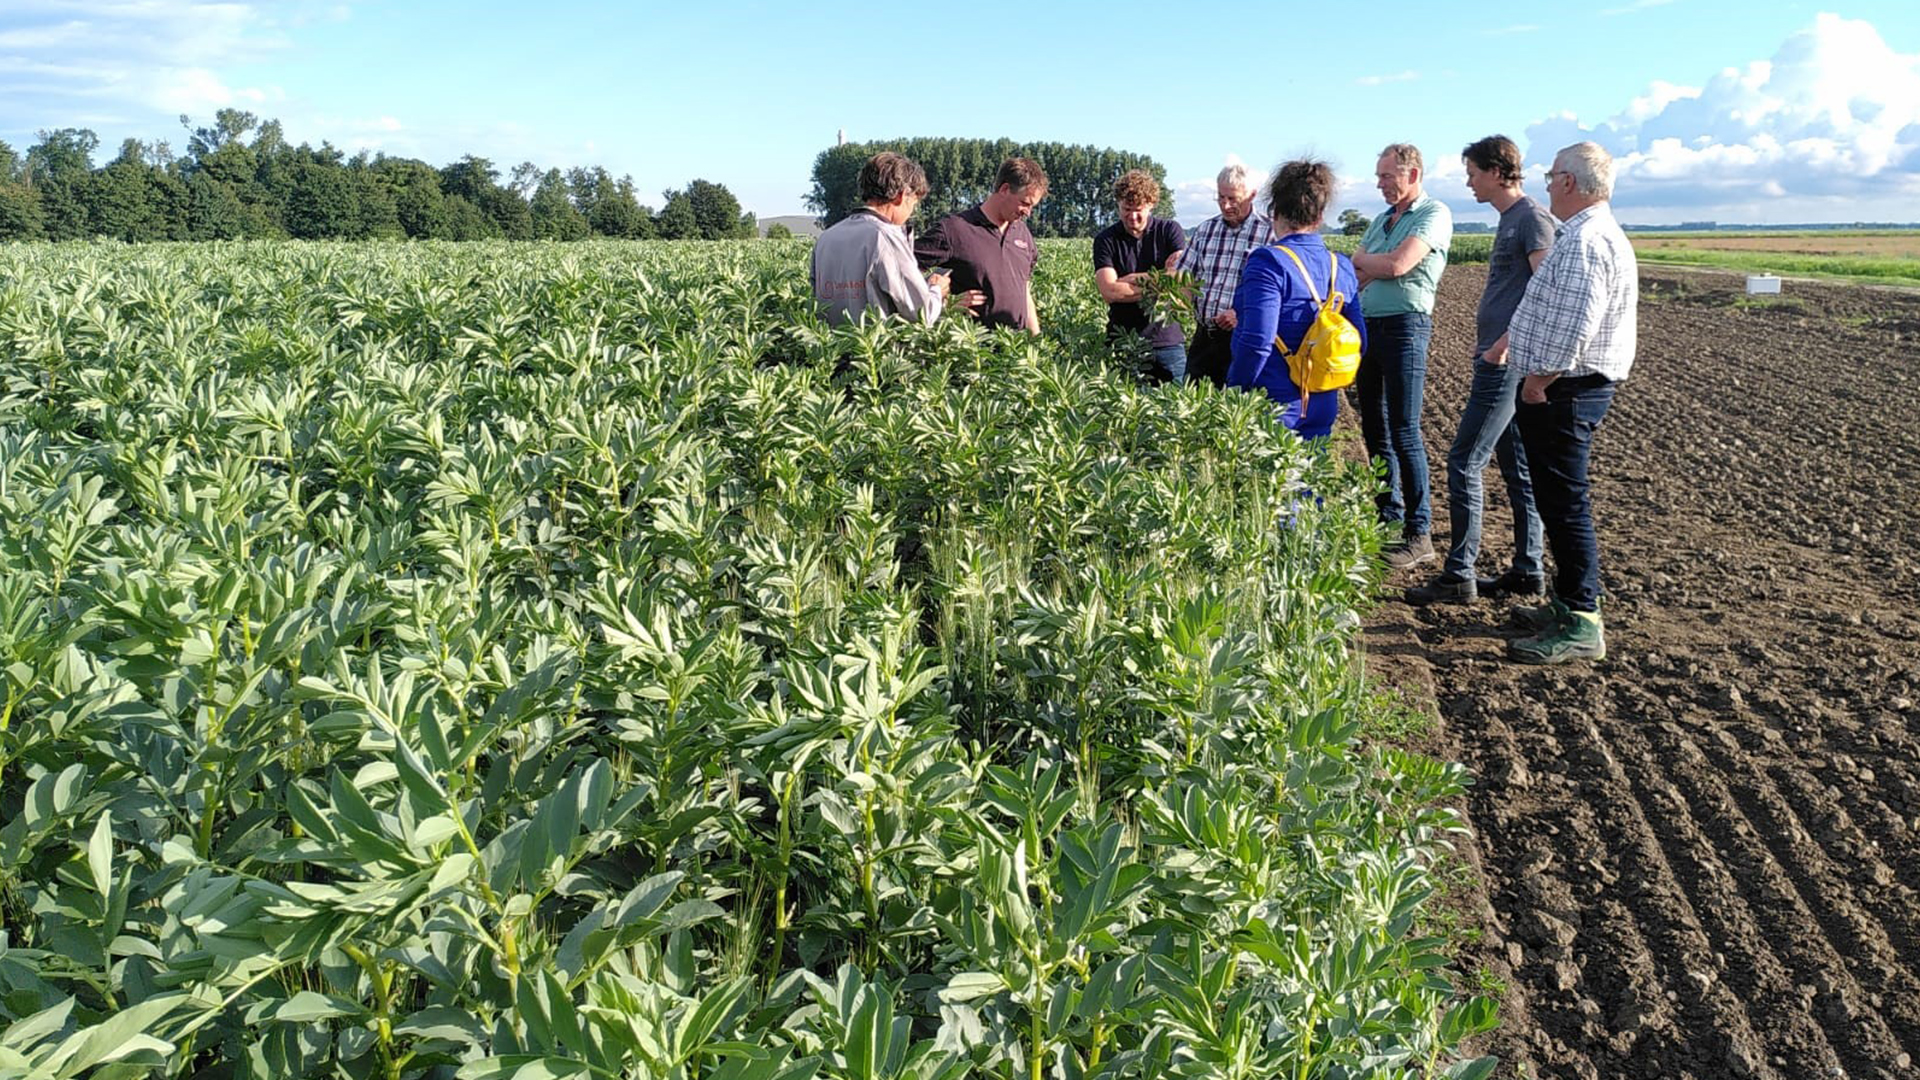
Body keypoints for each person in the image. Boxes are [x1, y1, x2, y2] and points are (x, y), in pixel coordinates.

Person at [1505, 141, 1638, 664]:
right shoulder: (1586, 233)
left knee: (1565, 503)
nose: (1546, 185)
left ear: (1567, 181)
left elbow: (1575, 326)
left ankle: (1582, 619)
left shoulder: (1586, 240)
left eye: (1549, 176)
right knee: (1558, 500)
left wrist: (1539, 381)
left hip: (1566, 388)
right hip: (1566, 385)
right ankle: (1566, 603)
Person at [1406, 135, 1555, 605]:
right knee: (1517, 469)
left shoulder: (1531, 219)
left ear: (1496, 170)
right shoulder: (1513, 219)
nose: (1468, 181)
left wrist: (1503, 347)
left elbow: (1544, 289)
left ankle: (1458, 574)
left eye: (1472, 172)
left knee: (1464, 460)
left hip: (1505, 363)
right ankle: (1528, 569)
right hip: (1501, 358)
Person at [1351, 143, 1452, 570]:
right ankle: (1386, 518)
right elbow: (1358, 273)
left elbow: (1397, 266)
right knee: (1374, 427)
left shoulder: (1433, 214)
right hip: (1370, 329)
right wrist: (1367, 264)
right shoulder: (1381, 220)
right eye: (1379, 176)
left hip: (1406, 328)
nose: (1380, 183)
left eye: (1386, 176)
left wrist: (1365, 259)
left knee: (1405, 430)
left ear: (1412, 174)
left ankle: (1419, 530)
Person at [1227, 158, 1365, 440]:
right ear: (1319, 216)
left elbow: (1257, 341)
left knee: (1268, 483)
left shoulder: (1268, 262)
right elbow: (1359, 338)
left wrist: (1234, 393)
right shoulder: (1340, 266)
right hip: (1322, 400)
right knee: (1311, 479)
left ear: (1275, 210)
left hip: (1273, 402)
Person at [811, 152, 980, 326]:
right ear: (901, 196)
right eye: (913, 203)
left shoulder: (826, 238)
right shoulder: (886, 237)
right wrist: (937, 289)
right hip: (876, 350)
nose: (912, 212)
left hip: (831, 349)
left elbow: (817, 301)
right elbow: (923, 313)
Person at [915, 157, 1047, 334]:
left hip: (1016, 353)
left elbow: (1025, 292)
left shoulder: (1023, 235)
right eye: (1024, 203)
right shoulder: (954, 229)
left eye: (1032, 206)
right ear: (1005, 189)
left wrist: (1036, 341)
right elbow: (902, 272)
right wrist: (944, 303)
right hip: (971, 353)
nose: (1028, 212)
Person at [1179, 163, 1275, 387]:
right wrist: (1178, 301)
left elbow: (1275, 291)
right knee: (1193, 406)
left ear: (1252, 195)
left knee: (1234, 408)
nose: (1226, 205)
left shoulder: (1270, 234)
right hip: (1204, 338)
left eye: (1233, 199)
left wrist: (1240, 313)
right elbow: (1184, 277)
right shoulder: (1206, 230)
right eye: (1221, 197)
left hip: (1243, 338)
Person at [1093, 169, 1188, 382]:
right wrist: (1161, 280)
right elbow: (1110, 291)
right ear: (1118, 204)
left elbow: (1180, 280)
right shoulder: (1106, 240)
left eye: (1138, 210)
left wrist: (1131, 278)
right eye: (1126, 209)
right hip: (1122, 341)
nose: (1132, 216)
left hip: (1167, 342)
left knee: (1176, 408)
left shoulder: (1170, 231)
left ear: (1151, 204)